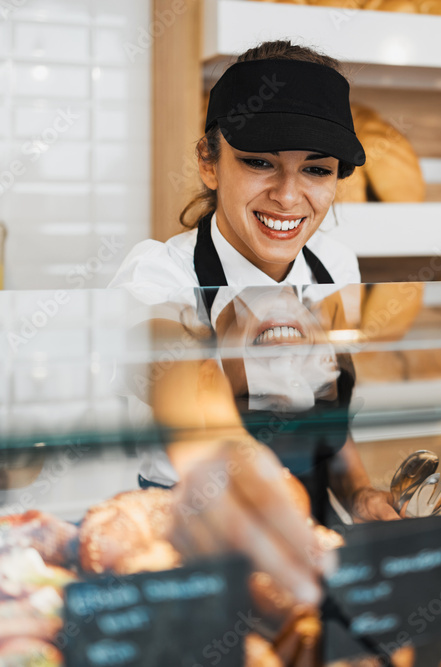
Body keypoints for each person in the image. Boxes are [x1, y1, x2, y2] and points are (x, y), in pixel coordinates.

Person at [111, 40, 399, 604]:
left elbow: (327, 406)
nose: (288, 196)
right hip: (195, 548)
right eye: (259, 162)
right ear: (208, 161)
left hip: (312, 537)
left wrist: (359, 489)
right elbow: (179, 387)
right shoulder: (157, 275)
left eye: (316, 169)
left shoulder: (336, 267)